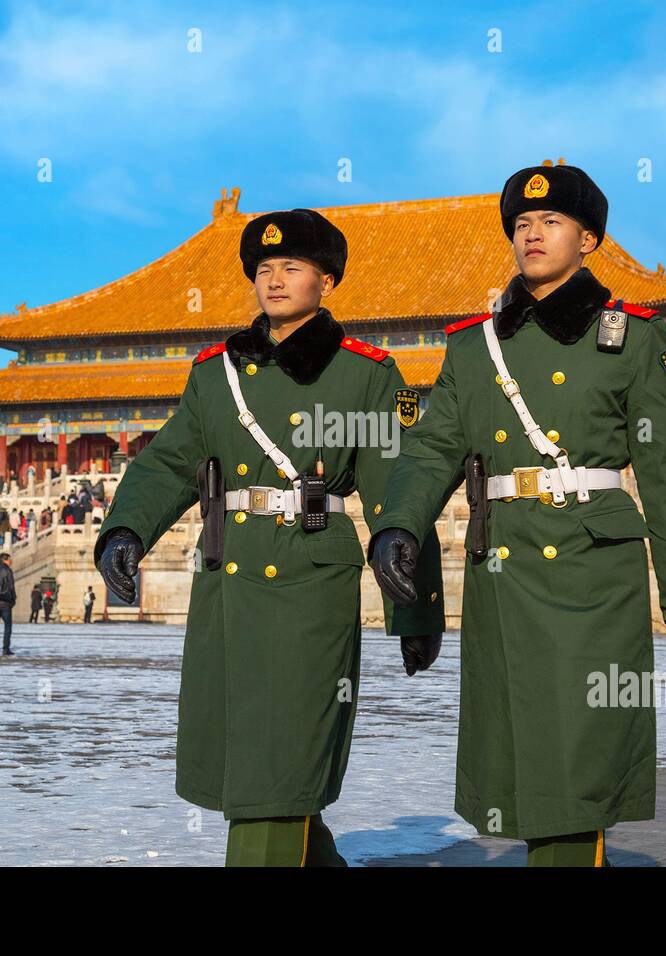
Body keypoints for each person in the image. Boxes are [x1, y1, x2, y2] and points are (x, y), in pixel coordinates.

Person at [370, 162, 666, 867]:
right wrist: (398, 525)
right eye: (522, 225)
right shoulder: (475, 346)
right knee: (523, 763)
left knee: (576, 765)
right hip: (503, 572)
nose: (532, 235)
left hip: (592, 570)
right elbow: (435, 442)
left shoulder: (634, 336)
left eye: (551, 223)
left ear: (589, 239)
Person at [96, 207, 445, 867]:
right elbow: (170, 461)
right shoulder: (213, 375)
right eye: (263, 269)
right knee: (254, 762)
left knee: (277, 769)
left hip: (311, 583)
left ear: (326, 281)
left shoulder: (370, 375)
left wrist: (417, 607)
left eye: (292, 267)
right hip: (229, 584)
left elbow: (402, 487)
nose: (274, 280)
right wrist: (127, 528)